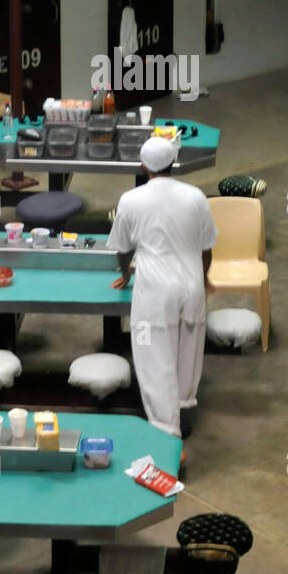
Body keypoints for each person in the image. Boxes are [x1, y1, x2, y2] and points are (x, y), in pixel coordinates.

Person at [107, 135, 218, 439]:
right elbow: (207, 247)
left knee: (154, 355)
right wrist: (204, 277)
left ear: (143, 166)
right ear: (173, 162)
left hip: (155, 292)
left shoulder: (131, 200)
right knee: (187, 349)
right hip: (191, 287)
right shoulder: (196, 196)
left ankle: (167, 433)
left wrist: (125, 274)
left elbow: (122, 247)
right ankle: (180, 409)